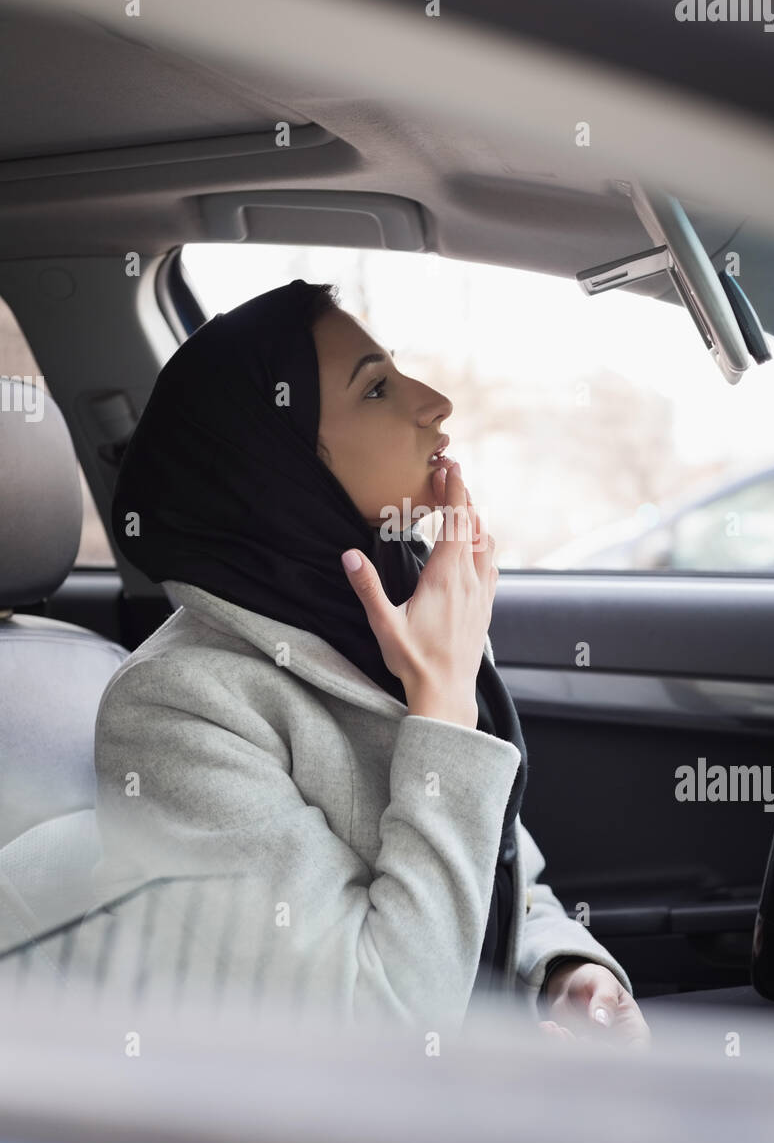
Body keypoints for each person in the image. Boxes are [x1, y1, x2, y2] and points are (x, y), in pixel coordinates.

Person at [94, 278, 649, 1044]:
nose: (434, 403)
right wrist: (444, 704)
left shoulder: (392, 614)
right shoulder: (175, 710)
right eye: (377, 388)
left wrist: (558, 972)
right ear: (278, 465)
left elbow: (493, 867)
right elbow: (373, 1024)